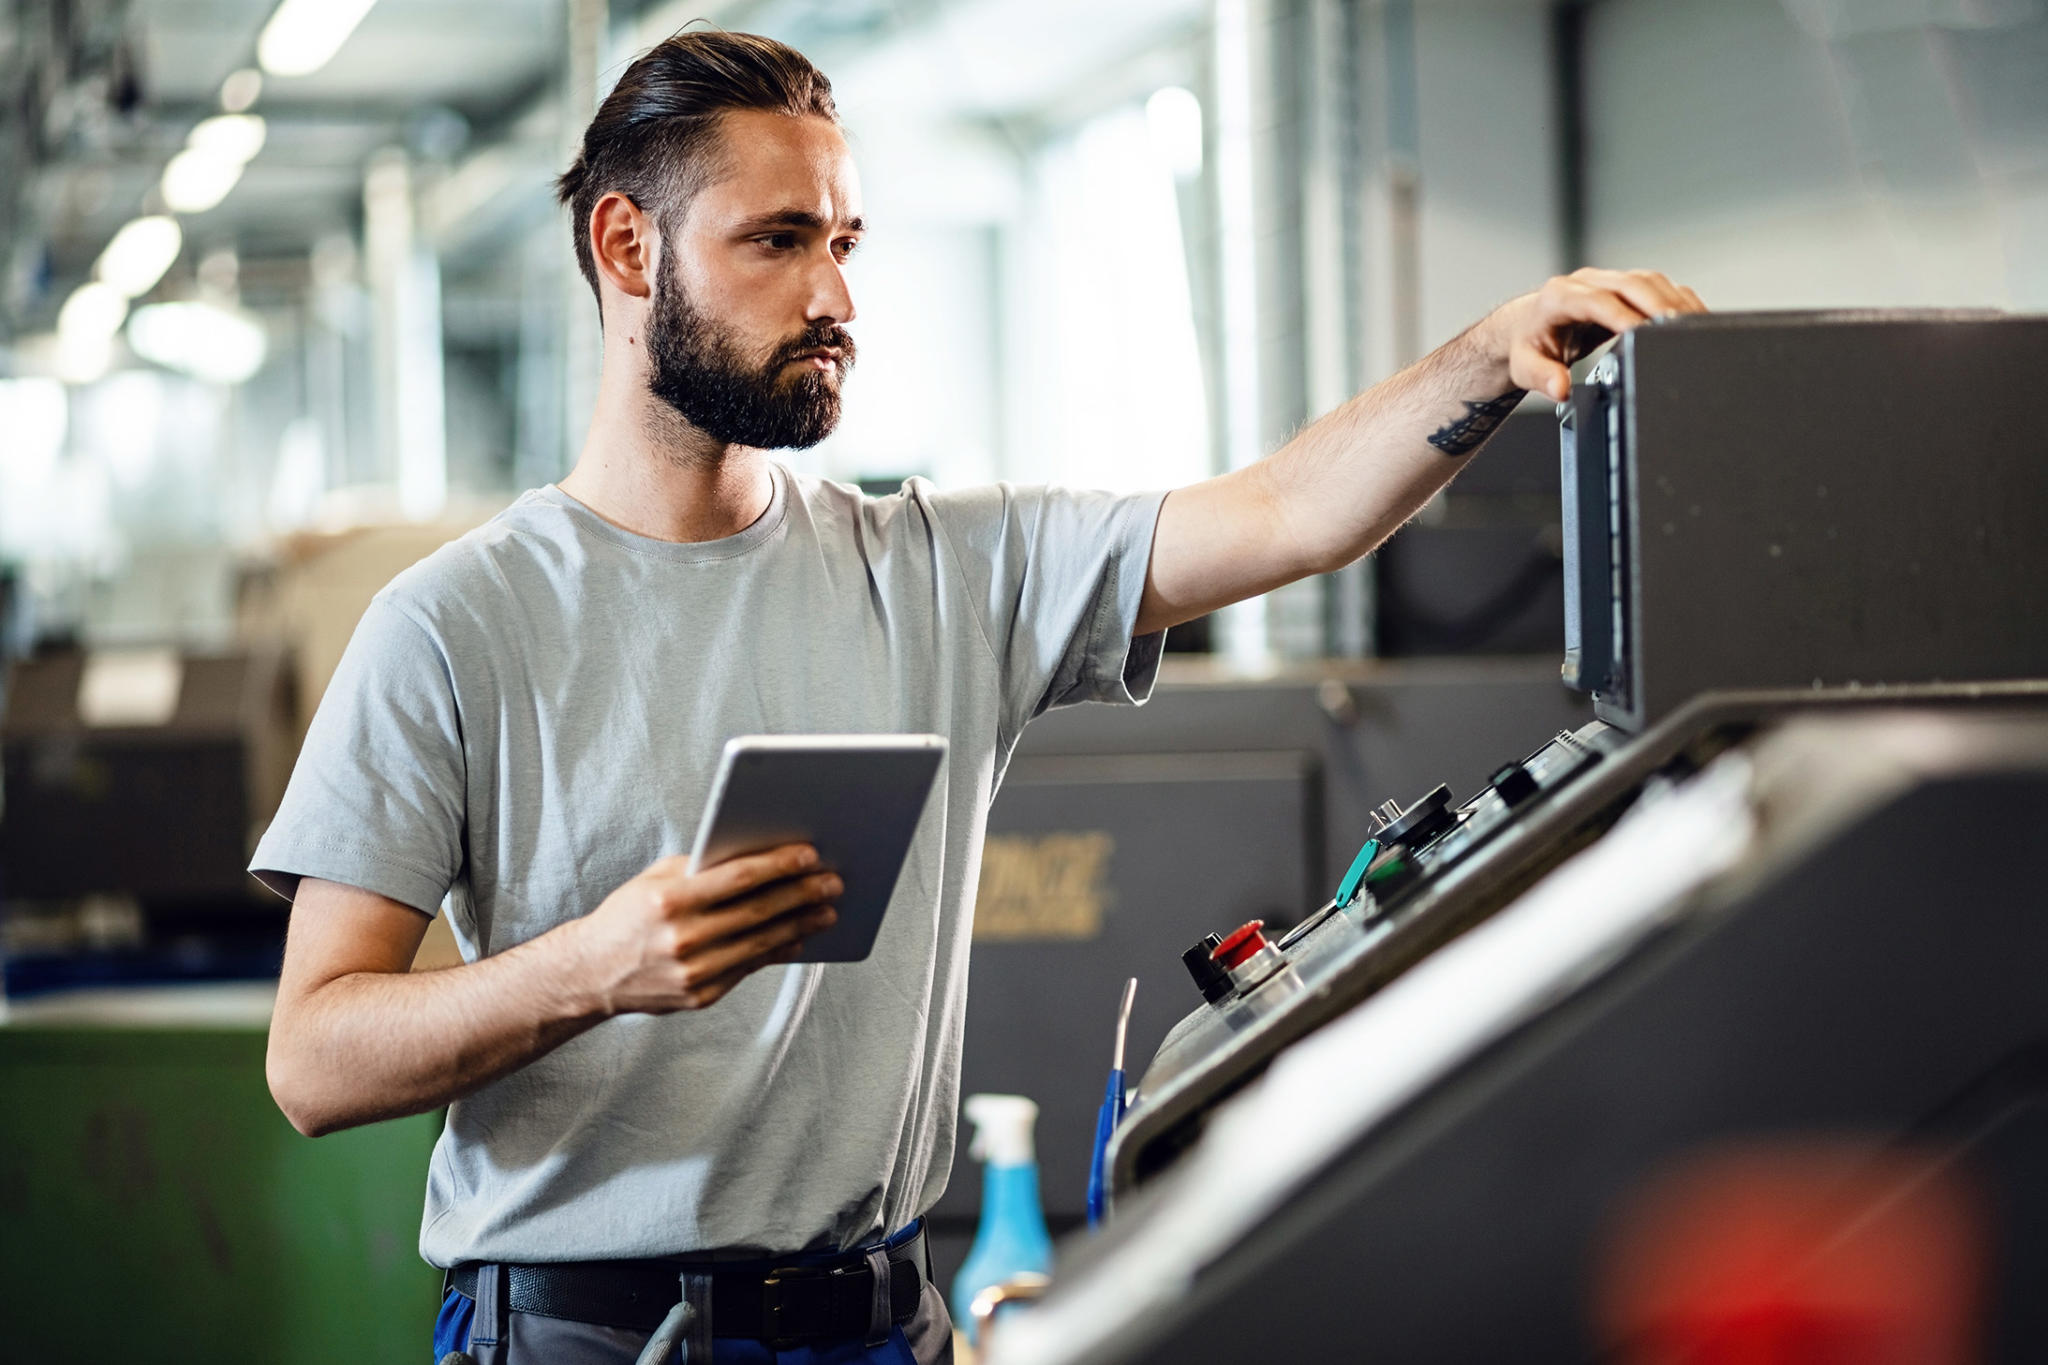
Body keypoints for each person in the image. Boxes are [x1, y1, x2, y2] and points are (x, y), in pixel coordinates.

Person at [254, 28, 1705, 1365]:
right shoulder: (453, 624)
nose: (834, 296)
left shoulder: (947, 567)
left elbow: (1281, 516)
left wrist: (1491, 352)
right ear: (627, 248)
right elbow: (314, 1055)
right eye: (777, 241)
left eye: (845, 242)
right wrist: (596, 966)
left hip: (883, 1320)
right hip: (583, 1333)